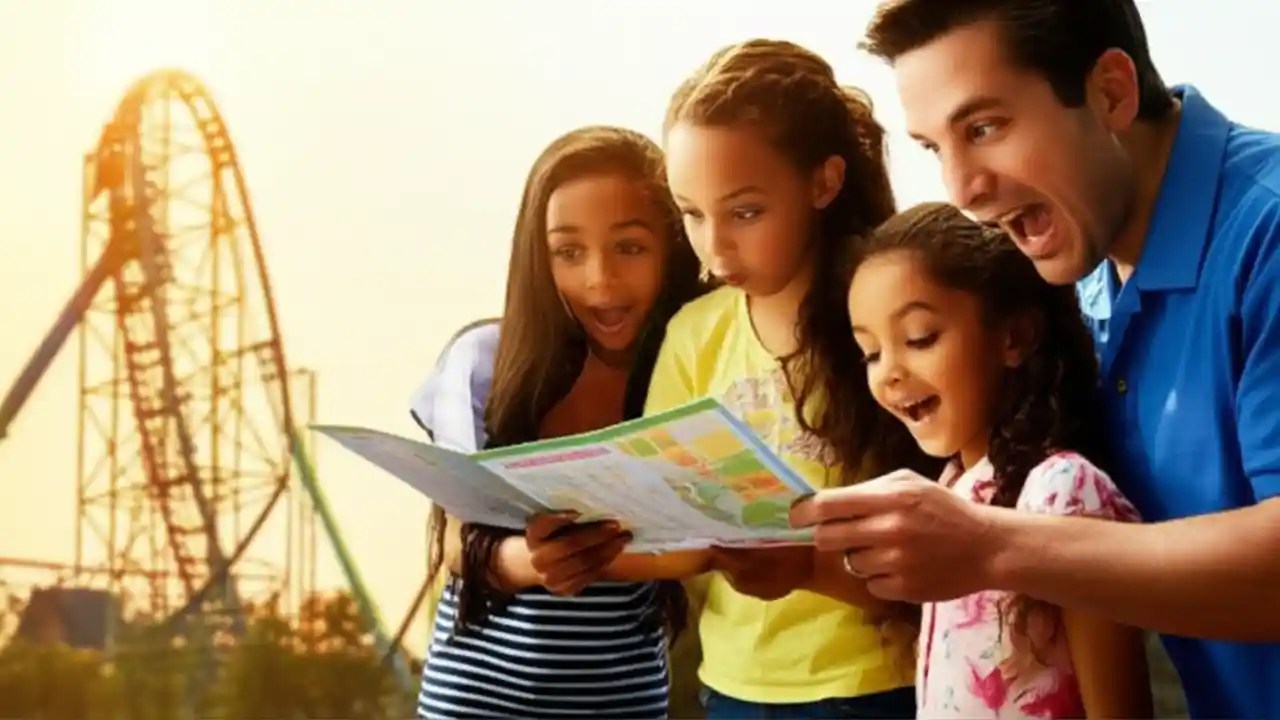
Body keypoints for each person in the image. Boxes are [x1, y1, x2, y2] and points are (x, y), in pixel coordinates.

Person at [790, 2, 1280, 718]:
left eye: (984, 128)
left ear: (1111, 91)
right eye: (933, 148)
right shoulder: (1079, 275)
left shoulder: (1267, 232)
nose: (962, 190)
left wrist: (994, 544)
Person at [645, 38, 936, 719]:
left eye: (745, 212)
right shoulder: (694, 334)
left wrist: (811, 568)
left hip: (875, 684)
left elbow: (946, 544)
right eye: (691, 213)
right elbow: (666, 522)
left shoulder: (888, 324)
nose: (714, 247)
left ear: (824, 183)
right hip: (734, 687)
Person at [412, 125, 709, 719]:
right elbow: (453, 538)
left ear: (672, 249)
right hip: (475, 700)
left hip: (619, 702)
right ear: (535, 256)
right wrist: (527, 562)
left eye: (629, 247)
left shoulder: (689, 374)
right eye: (569, 252)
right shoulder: (483, 365)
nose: (600, 278)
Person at [842, 201, 1153, 718]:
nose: (889, 373)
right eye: (871, 353)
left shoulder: (1063, 491)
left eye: (920, 339)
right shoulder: (948, 488)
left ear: (1014, 337)